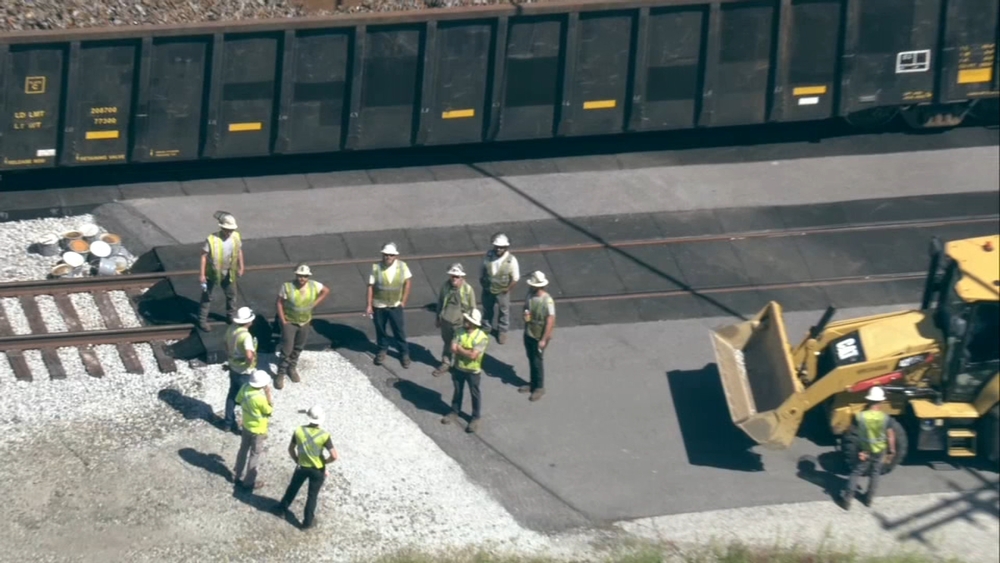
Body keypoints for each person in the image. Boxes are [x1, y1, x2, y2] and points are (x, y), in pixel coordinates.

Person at [276, 406, 339, 530]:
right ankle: (307, 522)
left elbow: (290, 449)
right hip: (317, 469)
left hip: (302, 466)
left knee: (293, 488)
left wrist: (296, 460)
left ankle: (282, 509)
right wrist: (325, 462)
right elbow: (335, 456)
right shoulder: (324, 435)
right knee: (312, 495)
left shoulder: (299, 431)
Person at [840, 386, 897, 509]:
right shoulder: (885, 418)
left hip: (865, 450)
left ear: (869, 400)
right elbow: (890, 435)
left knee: (856, 472)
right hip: (880, 450)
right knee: (875, 473)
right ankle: (868, 500)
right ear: (881, 401)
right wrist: (892, 451)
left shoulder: (860, 417)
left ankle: (847, 500)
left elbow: (852, 433)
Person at [275, 264, 330, 389]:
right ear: (296, 275)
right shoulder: (287, 286)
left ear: (308, 277)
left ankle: (292, 367)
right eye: (300, 276)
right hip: (290, 321)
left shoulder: (313, 285)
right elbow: (279, 302)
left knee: (299, 347)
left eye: (305, 276)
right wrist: (283, 320)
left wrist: (315, 303)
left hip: (304, 321)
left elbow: (326, 291)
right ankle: (280, 373)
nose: (302, 279)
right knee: (286, 349)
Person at [441, 309, 489, 434]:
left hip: (473, 370)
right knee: (457, 391)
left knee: (475, 394)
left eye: (467, 320)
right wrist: (466, 351)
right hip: (458, 368)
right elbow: (452, 348)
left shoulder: (482, 337)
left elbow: (473, 356)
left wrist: (460, 349)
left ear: (473, 322)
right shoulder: (459, 331)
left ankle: (475, 417)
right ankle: (454, 411)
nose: (464, 321)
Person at [365, 242, 413, 368]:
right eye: (386, 255)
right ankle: (382, 350)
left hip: (395, 305)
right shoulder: (376, 267)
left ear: (395, 256)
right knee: (380, 330)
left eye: (391, 255)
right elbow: (370, 286)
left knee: (399, 331)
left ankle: (404, 353)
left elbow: (407, 282)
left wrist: (403, 301)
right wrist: (369, 305)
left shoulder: (402, 266)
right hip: (379, 305)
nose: (388, 257)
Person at [198, 212, 244, 331]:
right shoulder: (212, 239)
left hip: (229, 271)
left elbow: (239, 251)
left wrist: (241, 266)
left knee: (231, 295)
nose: (229, 232)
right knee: (207, 297)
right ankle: (202, 320)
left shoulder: (236, 237)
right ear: (222, 228)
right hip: (212, 272)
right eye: (227, 230)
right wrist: (202, 274)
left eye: (231, 230)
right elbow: (203, 256)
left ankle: (231, 316)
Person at [432, 263, 477, 377]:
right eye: (452, 276)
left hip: (460, 324)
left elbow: (473, 308)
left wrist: (471, 326)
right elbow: (441, 302)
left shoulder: (468, 290)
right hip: (446, 322)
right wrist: (438, 318)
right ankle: (446, 363)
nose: (454, 278)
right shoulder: (445, 286)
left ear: (462, 277)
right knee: (447, 343)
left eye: (457, 276)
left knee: (459, 345)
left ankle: (458, 366)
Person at [233, 370, 274, 491]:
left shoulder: (245, 388)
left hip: (246, 425)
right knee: (254, 455)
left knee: (243, 449)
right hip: (258, 429)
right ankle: (249, 482)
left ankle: (237, 475)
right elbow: (269, 410)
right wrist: (268, 394)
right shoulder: (260, 398)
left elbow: (238, 400)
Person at [223, 306, 258, 434]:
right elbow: (249, 355)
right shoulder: (246, 336)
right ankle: (247, 428)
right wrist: (250, 363)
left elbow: (226, 345)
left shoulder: (231, 329)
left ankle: (228, 423)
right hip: (244, 372)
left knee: (232, 395)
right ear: (248, 321)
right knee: (247, 400)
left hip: (233, 367)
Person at [522, 271, 556, 402]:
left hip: (539, 336)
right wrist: (526, 315)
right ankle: (533, 383)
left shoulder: (547, 300)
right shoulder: (530, 295)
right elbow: (526, 308)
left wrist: (544, 339)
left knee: (537, 361)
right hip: (529, 332)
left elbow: (550, 319)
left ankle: (539, 387)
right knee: (531, 358)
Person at [480, 233, 519, 344]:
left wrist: (508, 289)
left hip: (502, 291)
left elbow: (515, 278)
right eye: (497, 246)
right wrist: (481, 280)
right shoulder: (488, 256)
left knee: (504, 311)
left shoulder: (511, 260)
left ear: (506, 248)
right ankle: (486, 328)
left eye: (501, 247)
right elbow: (483, 268)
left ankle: (502, 331)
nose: (499, 249)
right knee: (487, 309)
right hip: (488, 289)